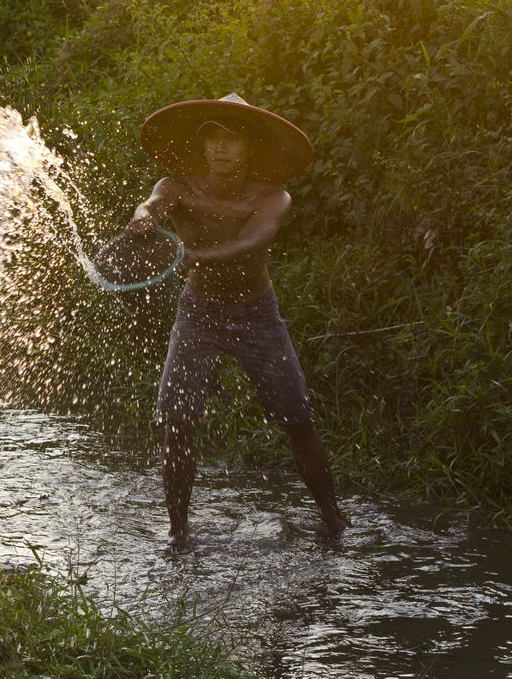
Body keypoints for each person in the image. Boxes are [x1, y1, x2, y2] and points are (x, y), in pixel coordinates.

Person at [125, 93, 349, 553]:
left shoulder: (272, 196)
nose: (220, 148)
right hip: (199, 313)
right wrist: (142, 222)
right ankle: (178, 531)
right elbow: (151, 205)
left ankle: (333, 518)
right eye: (212, 138)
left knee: (297, 418)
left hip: (256, 314)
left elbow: (253, 241)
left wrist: (191, 257)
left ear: (250, 148)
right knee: (178, 419)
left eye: (232, 139)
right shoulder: (177, 187)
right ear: (202, 145)